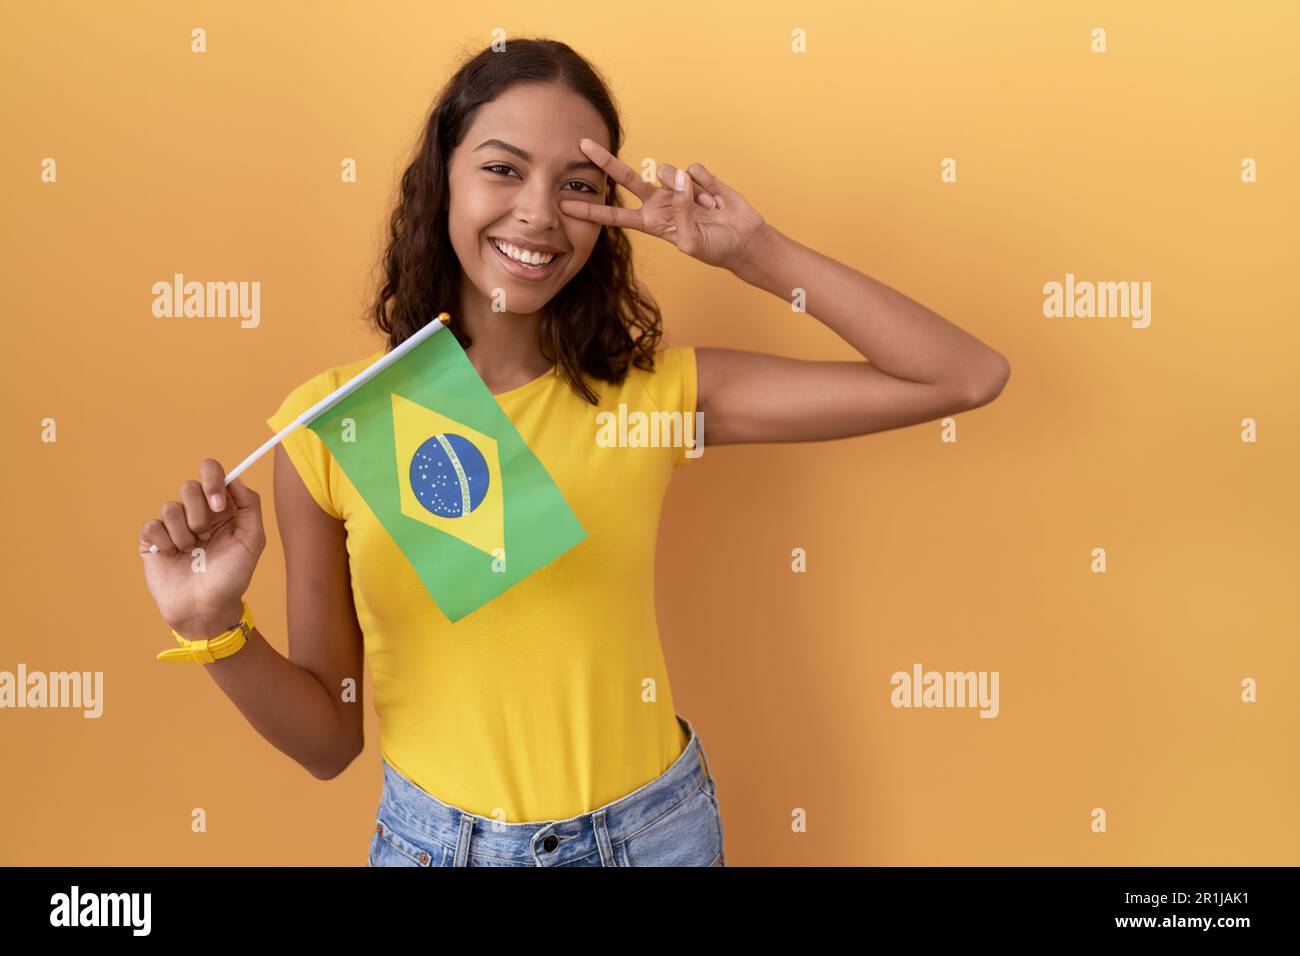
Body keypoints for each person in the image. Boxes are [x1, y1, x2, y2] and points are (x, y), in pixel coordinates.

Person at [137, 38, 1009, 868]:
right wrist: (212, 628)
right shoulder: (338, 424)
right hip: (441, 845)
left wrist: (755, 252)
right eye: (502, 168)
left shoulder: (655, 397)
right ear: (441, 178)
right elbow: (330, 739)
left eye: (578, 184)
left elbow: (962, 377)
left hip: (654, 836)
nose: (539, 213)